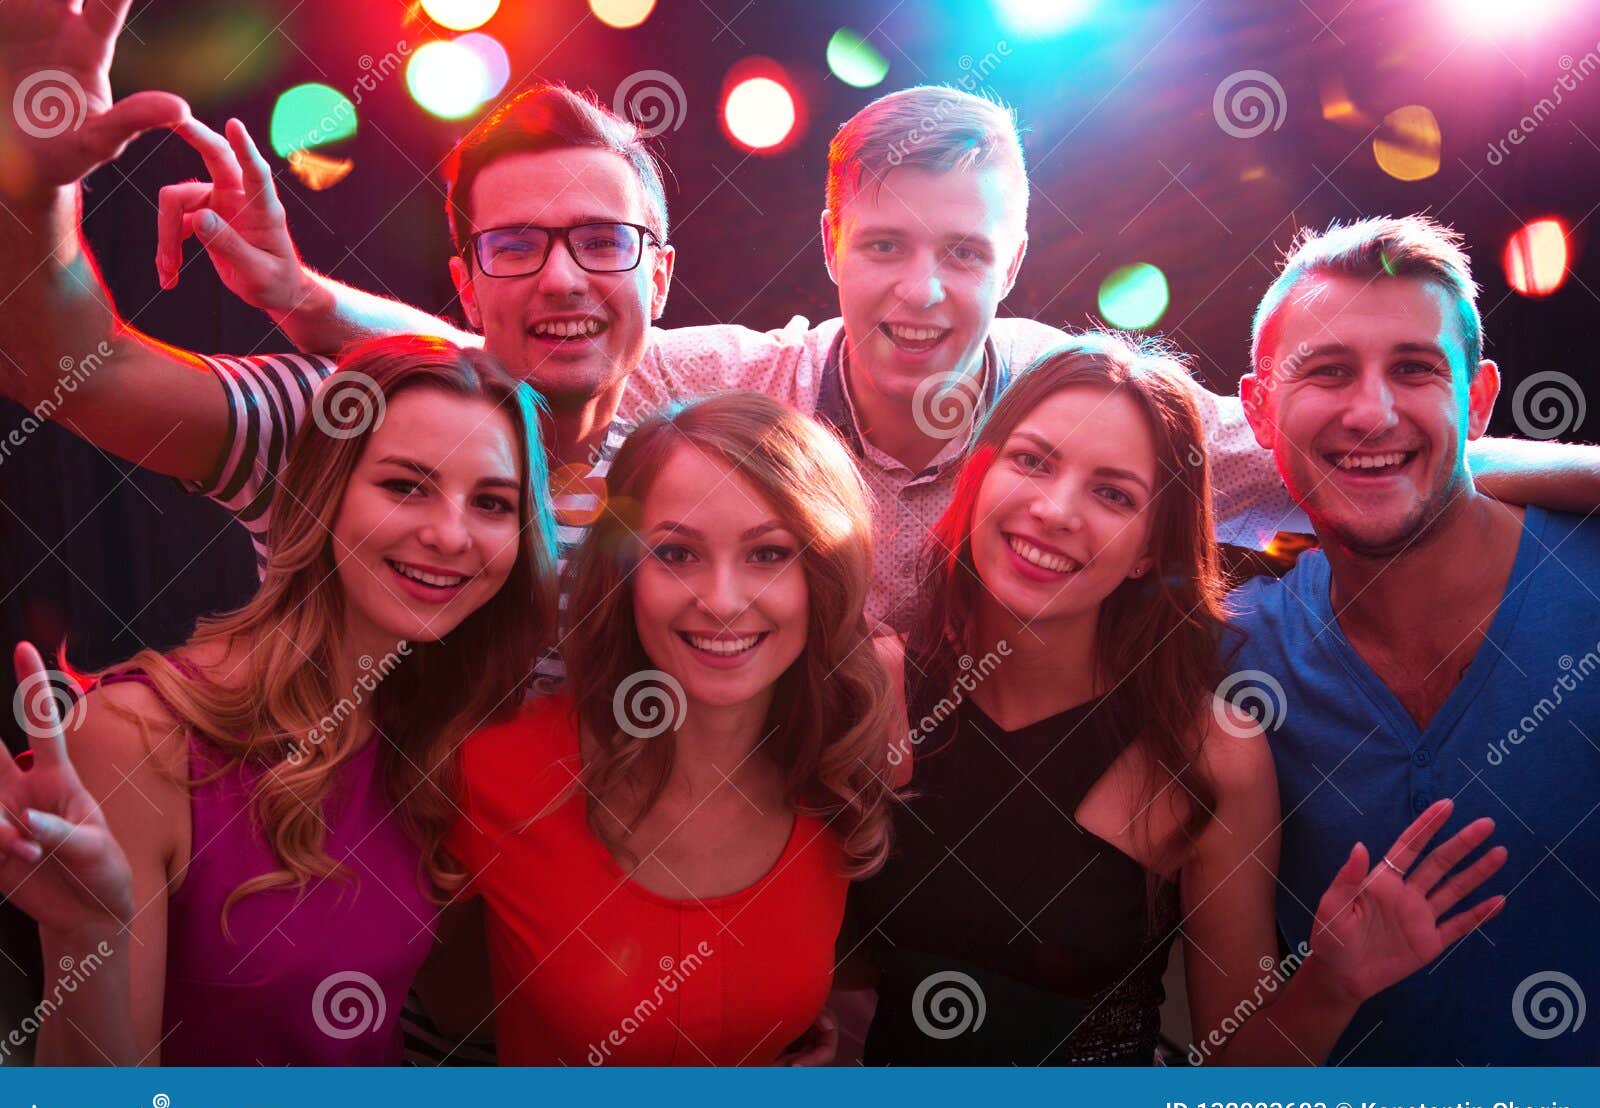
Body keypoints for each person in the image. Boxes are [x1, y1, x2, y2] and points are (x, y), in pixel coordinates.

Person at [128, 86, 1600, 633]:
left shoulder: (1083, 402)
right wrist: (306, 298)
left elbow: (1332, 448)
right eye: (889, 244)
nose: (923, 286)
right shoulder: (733, 380)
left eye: (963, 252)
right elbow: (525, 346)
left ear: (1012, 262)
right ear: (831, 239)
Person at [845, 335, 1505, 1064]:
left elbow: (1237, 1078)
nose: (1056, 509)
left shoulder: (1209, 753)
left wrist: (1331, 982)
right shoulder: (876, 688)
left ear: (1152, 549)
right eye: (1032, 460)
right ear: (977, 476)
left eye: (1113, 493)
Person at [0, 335, 561, 1064]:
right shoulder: (136, 736)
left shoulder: (434, 736)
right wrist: (84, 936)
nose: (450, 534)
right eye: (404, 485)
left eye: (490, 502)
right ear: (322, 496)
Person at [432, 393, 900, 1064]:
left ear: (822, 576)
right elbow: (438, 1005)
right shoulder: (492, 773)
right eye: (677, 553)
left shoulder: (842, 772)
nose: (722, 600)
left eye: (768, 553)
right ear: (625, 576)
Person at [1229, 215, 1600, 1064]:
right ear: (1256, 409)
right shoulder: (1234, 661)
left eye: (1414, 369)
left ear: (1475, 401)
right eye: (1327, 370)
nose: (1372, 410)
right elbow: (1231, 1087)